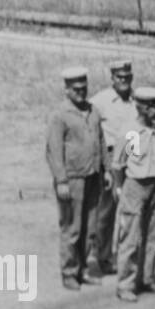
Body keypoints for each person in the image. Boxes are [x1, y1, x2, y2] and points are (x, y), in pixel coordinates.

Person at [45, 66, 106, 290]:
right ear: (67, 90)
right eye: (76, 89)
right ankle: (69, 272)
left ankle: (83, 270)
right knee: (72, 227)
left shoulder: (93, 110)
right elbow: (53, 150)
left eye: (84, 87)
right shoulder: (59, 116)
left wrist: (106, 170)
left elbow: (100, 141)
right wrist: (61, 180)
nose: (81, 92)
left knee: (89, 228)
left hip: (92, 176)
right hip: (72, 180)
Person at [113, 87, 155, 301]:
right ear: (142, 108)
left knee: (153, 235)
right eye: (153, 106)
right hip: (135, 186)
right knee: (130, 237)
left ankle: (147, 278)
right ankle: (125, 284)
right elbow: (118, 164)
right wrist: (119, 188)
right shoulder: (131, 132)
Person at [89, 59, 138, 279]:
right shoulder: (101, 100)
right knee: (106, 211)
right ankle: (103, 257)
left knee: (131, 208)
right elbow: (88, 122)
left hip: (132, 156)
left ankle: (128, 256)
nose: (124, 81)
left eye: (127, 77)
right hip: (110, 157)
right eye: (120, 77)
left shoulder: (137, 100)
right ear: (112, 79)